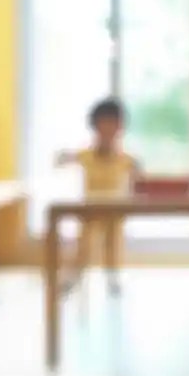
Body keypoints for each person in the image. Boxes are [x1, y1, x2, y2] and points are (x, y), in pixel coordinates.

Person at [56, 98, 141, 294]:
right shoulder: (86, 155)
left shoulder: (125, 158)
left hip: (115, 209)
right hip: (90, 209)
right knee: (84, 245)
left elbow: (140, 177)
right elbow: (63, 158)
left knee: (113, 245)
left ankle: (113, 278)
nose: (108, 130)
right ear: (95, 127)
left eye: (113, 124)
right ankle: (73, 276)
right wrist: (63, 157)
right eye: (103, 124)